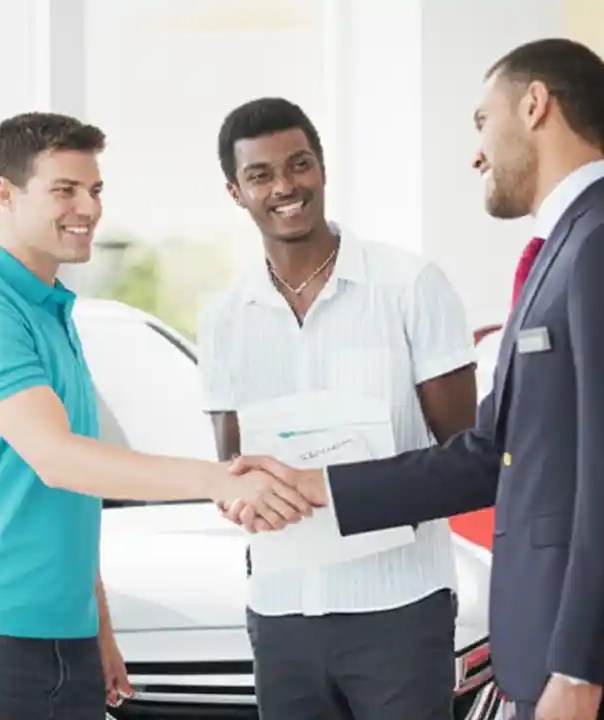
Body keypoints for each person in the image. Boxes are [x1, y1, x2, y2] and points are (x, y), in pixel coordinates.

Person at [228, 39, 604, 720]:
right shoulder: (563, 254)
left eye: (483, 121)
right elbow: (490, 458)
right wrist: (315, 487)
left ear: (535, 105)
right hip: (553, 663)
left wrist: (581, 663)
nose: (476, 151)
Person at [0, 111, 313, 720]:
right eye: (64, 190)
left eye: (95, 190)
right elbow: (58, 460)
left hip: (64, 639)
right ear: (6, 194)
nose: (89, 208)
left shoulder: (52, 310)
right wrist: (215, 478)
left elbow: (74, 492)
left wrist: (96, 625)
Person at [199, 97, 478, 719]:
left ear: (322, 169)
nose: (285, 187)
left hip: (400, 611)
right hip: (281, 615)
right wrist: (241, 493)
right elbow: (229, 465)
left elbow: (468, 459)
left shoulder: (410, 286)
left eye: (299, 165)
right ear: (235, 192)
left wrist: (342, 486)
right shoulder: (224, 318)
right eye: (260, 175)